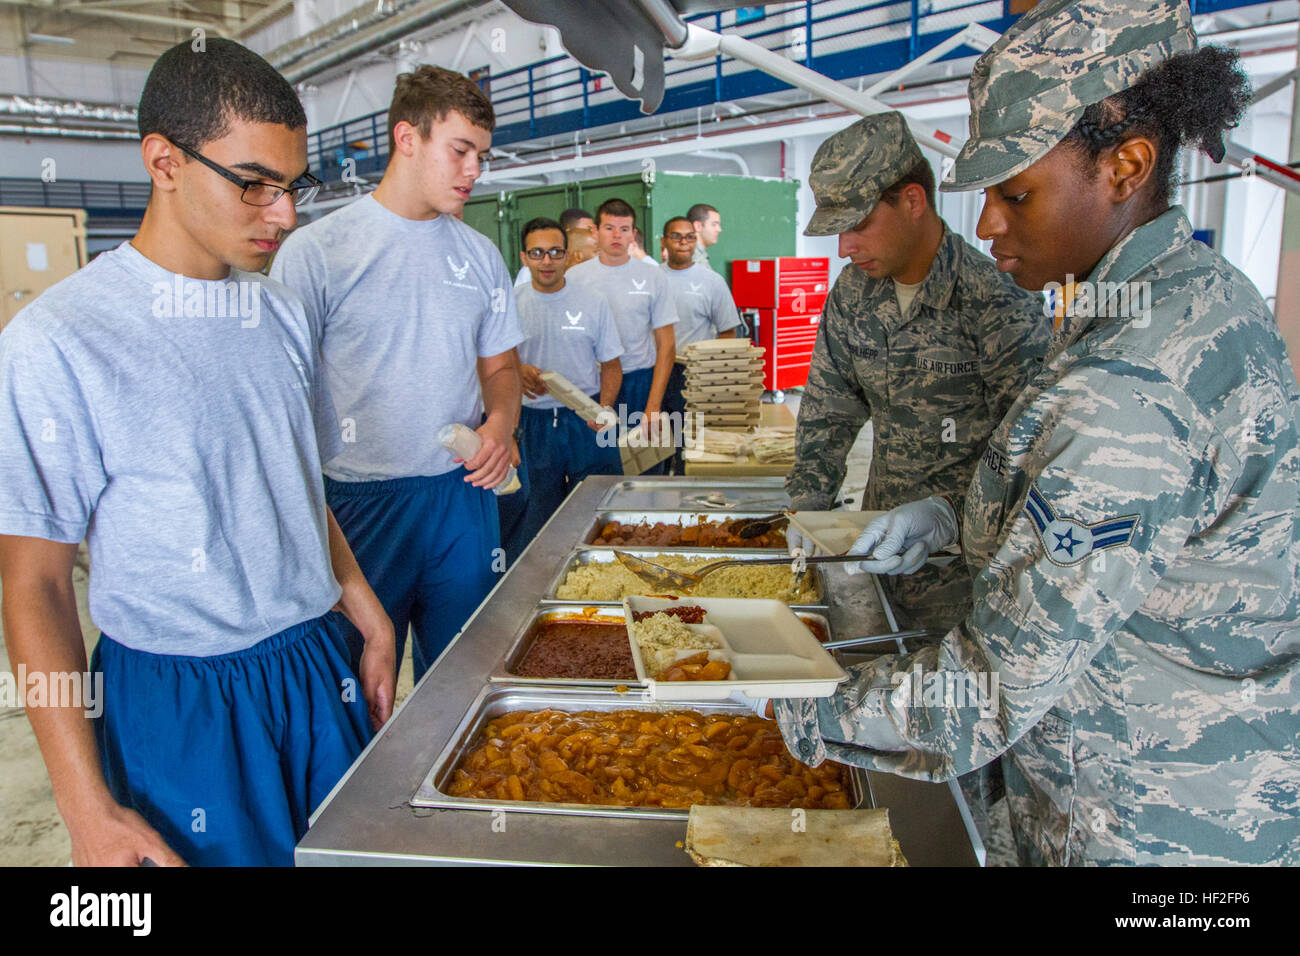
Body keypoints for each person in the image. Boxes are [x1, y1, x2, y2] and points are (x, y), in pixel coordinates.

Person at [769, 0, 1300, 865]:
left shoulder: (1129, 379)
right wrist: (949, 514)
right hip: (1175, 782)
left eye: (1016, 194)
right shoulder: (1187, 297)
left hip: (1151, 823)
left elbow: (986, 691)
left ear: (1128, 165)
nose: (987, 225)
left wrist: (786, 702)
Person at [0, 38, 395, 867]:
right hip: (179, 697)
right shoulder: (62, 340)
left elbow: (290, 483)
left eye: (293, 187)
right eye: (253, 183)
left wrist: (359, 601)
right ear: (163, 160)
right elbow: (34, 581)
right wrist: (83, 809)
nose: (283, 214)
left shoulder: (280, 313)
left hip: (316, 664)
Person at [272, 65, 523, 683]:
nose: (475, 171)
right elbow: (284, 397)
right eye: (460, 151)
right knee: (359, 685)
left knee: (467, 674)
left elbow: (501, 366)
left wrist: (500, 423)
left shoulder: (479, 255)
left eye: (482, 157)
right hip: (359, 502)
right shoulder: (319, 252)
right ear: (407, 138)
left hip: (461, 494)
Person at [786, 111, 1047, 635]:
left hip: (967, 573)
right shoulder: (854, 294)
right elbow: (827, 411)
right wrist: (805, 511)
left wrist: (949, 517)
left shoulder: (997, 300)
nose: (845, 247)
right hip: (873, 551)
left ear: (911, 200)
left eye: (858, 225)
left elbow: (1031, 453)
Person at [501, 218, 624, 562]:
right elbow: (492, 366)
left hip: (584, 419)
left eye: (555, 252)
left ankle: (602, 571)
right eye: (537, 253)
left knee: (601, 506)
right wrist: (517, 368)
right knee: (536, 518)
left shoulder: (593, 301)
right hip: (533, 424)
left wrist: (604, 407)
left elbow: (612, 365)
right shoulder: (510, 304)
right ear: (524, 257)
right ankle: (537, 584)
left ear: (568, 256)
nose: (547, 261)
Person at [567, 198, 678, 474]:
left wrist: (653, 405)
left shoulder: (653, 277)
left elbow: (667, 346)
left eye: (624, 229)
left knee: (645, 471)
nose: (617, 235)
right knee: (597, 472)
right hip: (593, 386)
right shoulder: (575, 277)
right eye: (609, 228)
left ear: (633, 233)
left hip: (640, 383)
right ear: (595, 231)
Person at [659, 215, 743, 472]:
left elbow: (729, 331)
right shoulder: (651, 279)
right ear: (664, 241)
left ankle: (688, 496)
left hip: (695, 374)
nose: (683, 243)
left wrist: (713, 372)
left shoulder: (711, 281)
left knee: (692, 445)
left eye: (689, 237)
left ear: (695, 241)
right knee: (657, 444)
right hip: (656, 372)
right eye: (676, 236)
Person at [687, 202, 722, 267]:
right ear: (698, 226)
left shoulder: (698, 255)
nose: (719, 229)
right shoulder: (694, 259)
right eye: (714, 224)